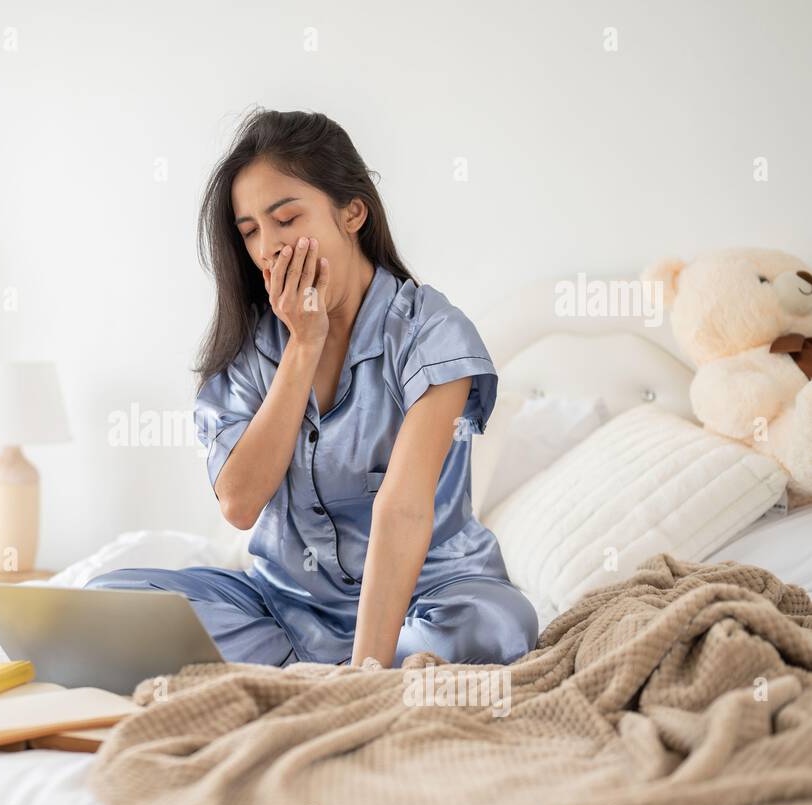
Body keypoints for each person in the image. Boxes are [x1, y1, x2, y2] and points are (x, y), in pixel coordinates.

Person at [85, 108, 538, 669]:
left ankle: (361, 667)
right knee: (109, 604)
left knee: (491, 629)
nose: (269, 247)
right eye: (250, 232)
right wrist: (302, 347)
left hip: (429, 601)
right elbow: (240, 502)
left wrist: (365, 672)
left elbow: (402, 510)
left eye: (286, 219)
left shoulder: (432, 333)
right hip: (284, 608)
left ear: (352, 212)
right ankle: (328, 666)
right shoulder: (254, 345)